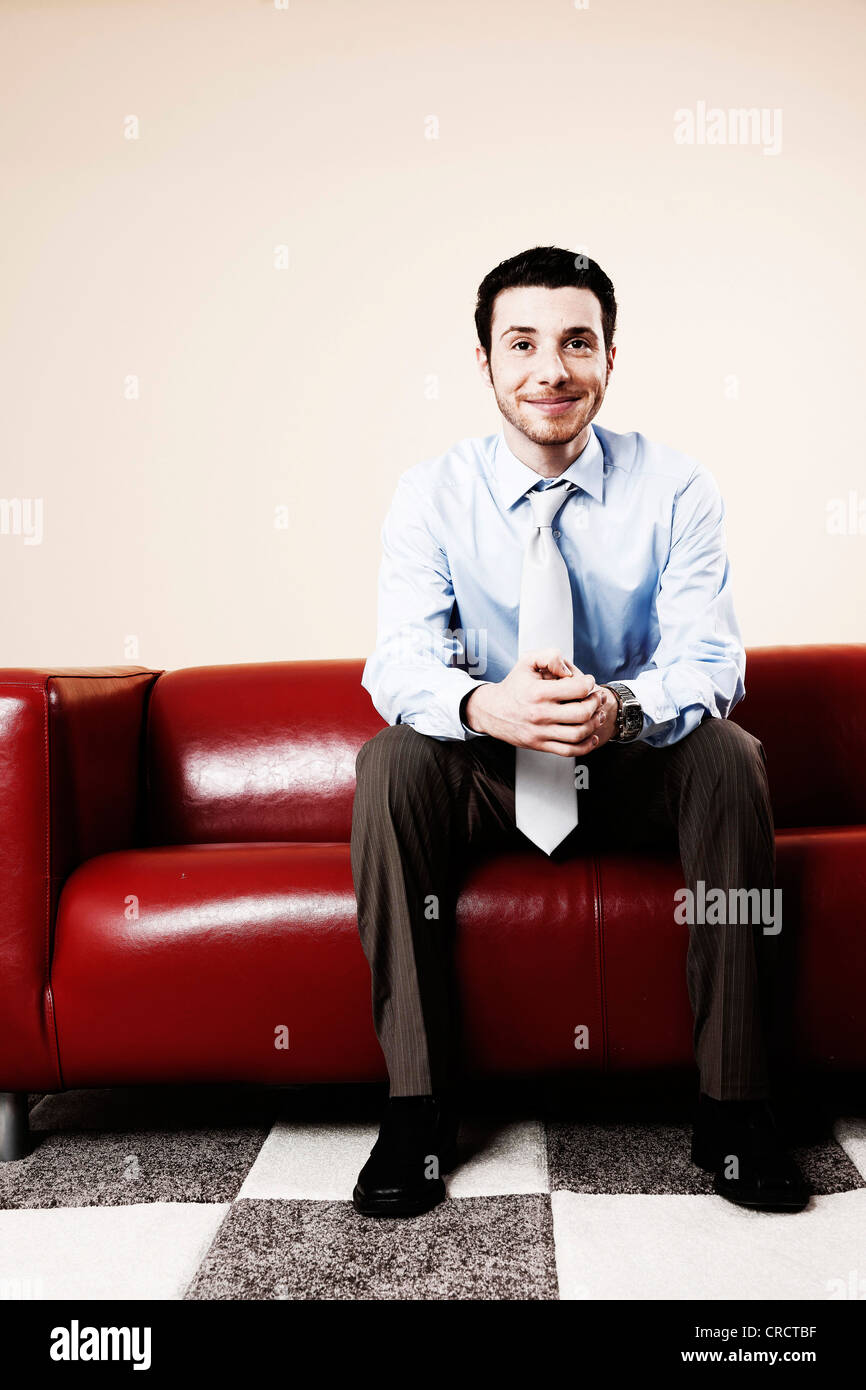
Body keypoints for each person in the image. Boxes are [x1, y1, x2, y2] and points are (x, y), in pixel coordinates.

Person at [350, 245, 810, 1219]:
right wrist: (482, 706)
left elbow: (709, 659)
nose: (548, 369)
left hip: (632, 767)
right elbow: (395, 662)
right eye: (520, 343)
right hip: (488, 772)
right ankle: (417, 1108)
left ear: (608, 357)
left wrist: (623, 709)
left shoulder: (676, 487)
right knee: (390, 757)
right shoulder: (429, 494)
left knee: (728, 753)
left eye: (574, 342)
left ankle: (735, 1106)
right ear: (484, 363)